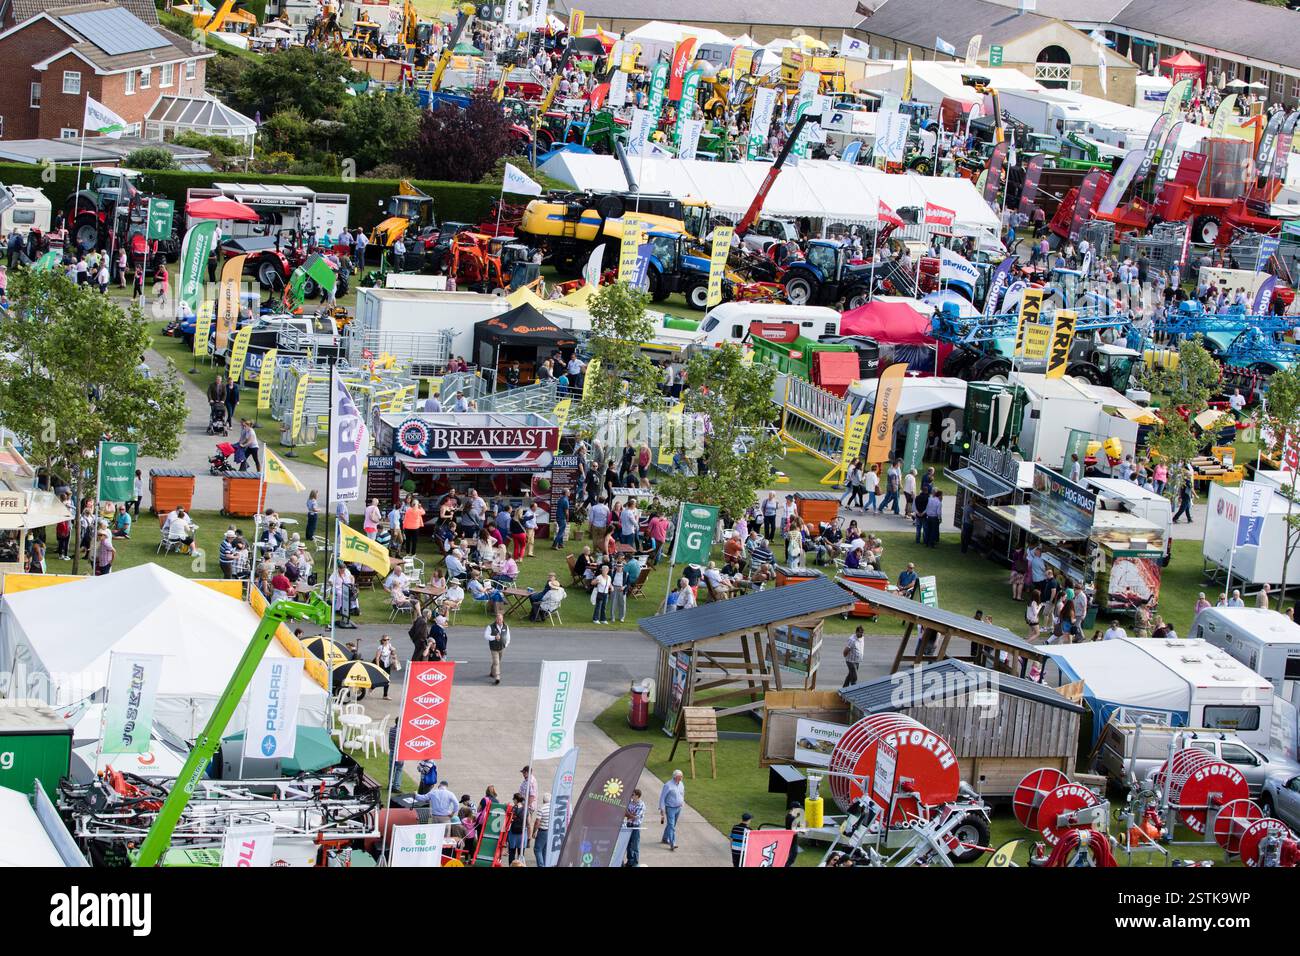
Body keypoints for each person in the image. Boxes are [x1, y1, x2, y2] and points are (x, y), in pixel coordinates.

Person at [659, 769, 685, 850]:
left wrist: (682, 802)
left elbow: (682, 794)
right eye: (680, 776)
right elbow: (662, 798)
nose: (681, 777)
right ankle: (672, 843)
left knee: (672, 825)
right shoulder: (668, 785)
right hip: (670, 808)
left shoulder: (681, 784)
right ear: (675, 777)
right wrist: (662, 809)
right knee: (671, 825)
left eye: (681, 776)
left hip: (678, 808)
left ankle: (664, 838)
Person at [484, 611, 509, 684]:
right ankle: (497, 677)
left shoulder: (506, 627)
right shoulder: (490, 627)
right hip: (494, 648)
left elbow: (508, 637)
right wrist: (494, 637)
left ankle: (492, 672)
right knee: (497, 662)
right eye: (498, 619)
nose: (499, 621)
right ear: (496, 619)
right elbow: (486, 636)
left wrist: (505, 645)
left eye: (500, 619)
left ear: (502, 619)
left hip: (502, 648)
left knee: (496, 662)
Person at [624, 788, 646, 867]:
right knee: (628, 844)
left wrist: (629, 814)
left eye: (632, 795)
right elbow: (624, 812)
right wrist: (630, 814)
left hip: (636, 826)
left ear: (637, 796)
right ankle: (630, 861)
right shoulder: (629, 803)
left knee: (635, 844)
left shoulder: (641, 804)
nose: (631, 796)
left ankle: (635, 862)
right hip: (628, 825)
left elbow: (636, 816)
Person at [532, 793, 553, 868]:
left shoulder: (542, 808)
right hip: (550, 831)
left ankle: (541, 865)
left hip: (543, 831)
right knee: (544, 850)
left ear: (543, 800)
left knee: (537, 849)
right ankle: (545, 864)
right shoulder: (553, 808)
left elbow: (537, 821)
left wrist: (534, 831)